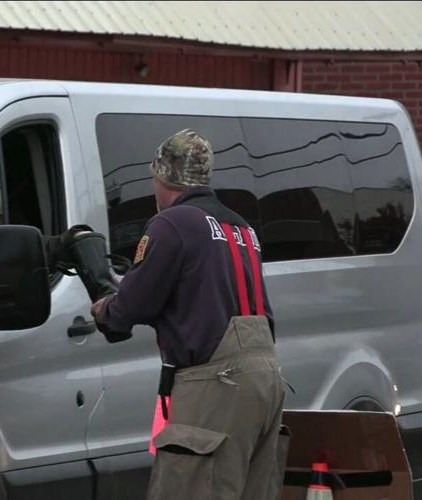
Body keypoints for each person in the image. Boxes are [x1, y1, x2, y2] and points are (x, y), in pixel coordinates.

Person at [91, 129, 287, 500]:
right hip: (267, 377)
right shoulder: (242, 227)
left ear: (161, 175)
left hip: (215, 383)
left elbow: (133, 304)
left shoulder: (172, 223)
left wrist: (105, 309)